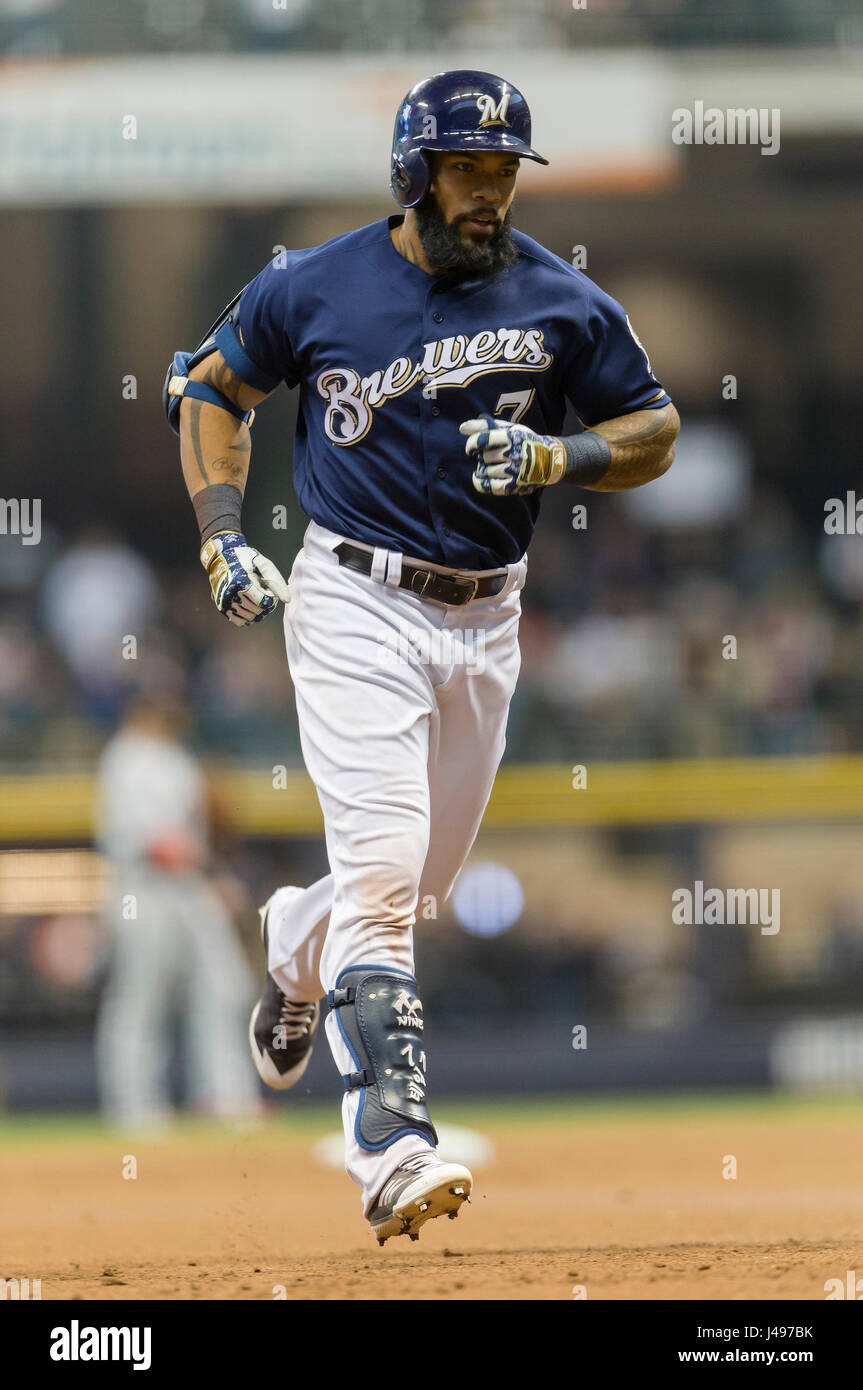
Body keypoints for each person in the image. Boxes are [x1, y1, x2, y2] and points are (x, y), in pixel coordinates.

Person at [164, 70, 679, 1242]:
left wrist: (563, 460)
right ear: (413, 171)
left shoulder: (561, 299)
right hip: (352, 599)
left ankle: (294, 947)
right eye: (466, 169)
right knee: (391, 880)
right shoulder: (314, 282)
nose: (488, 192)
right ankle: (390, 1146)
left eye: (502, 171)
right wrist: (220, 537)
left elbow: (653, 423)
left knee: (410, 886)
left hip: (487, 620)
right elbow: (208, 388)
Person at [95, 696, 258, 1127]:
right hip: (143, 888)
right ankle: (135, 1107)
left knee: (225, 987)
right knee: (140, 997)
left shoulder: (176, 756)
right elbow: (154, 842)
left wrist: (212, 870)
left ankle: (225, 1098)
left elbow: (199, 833)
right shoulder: (126, 755)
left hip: (187, 886)